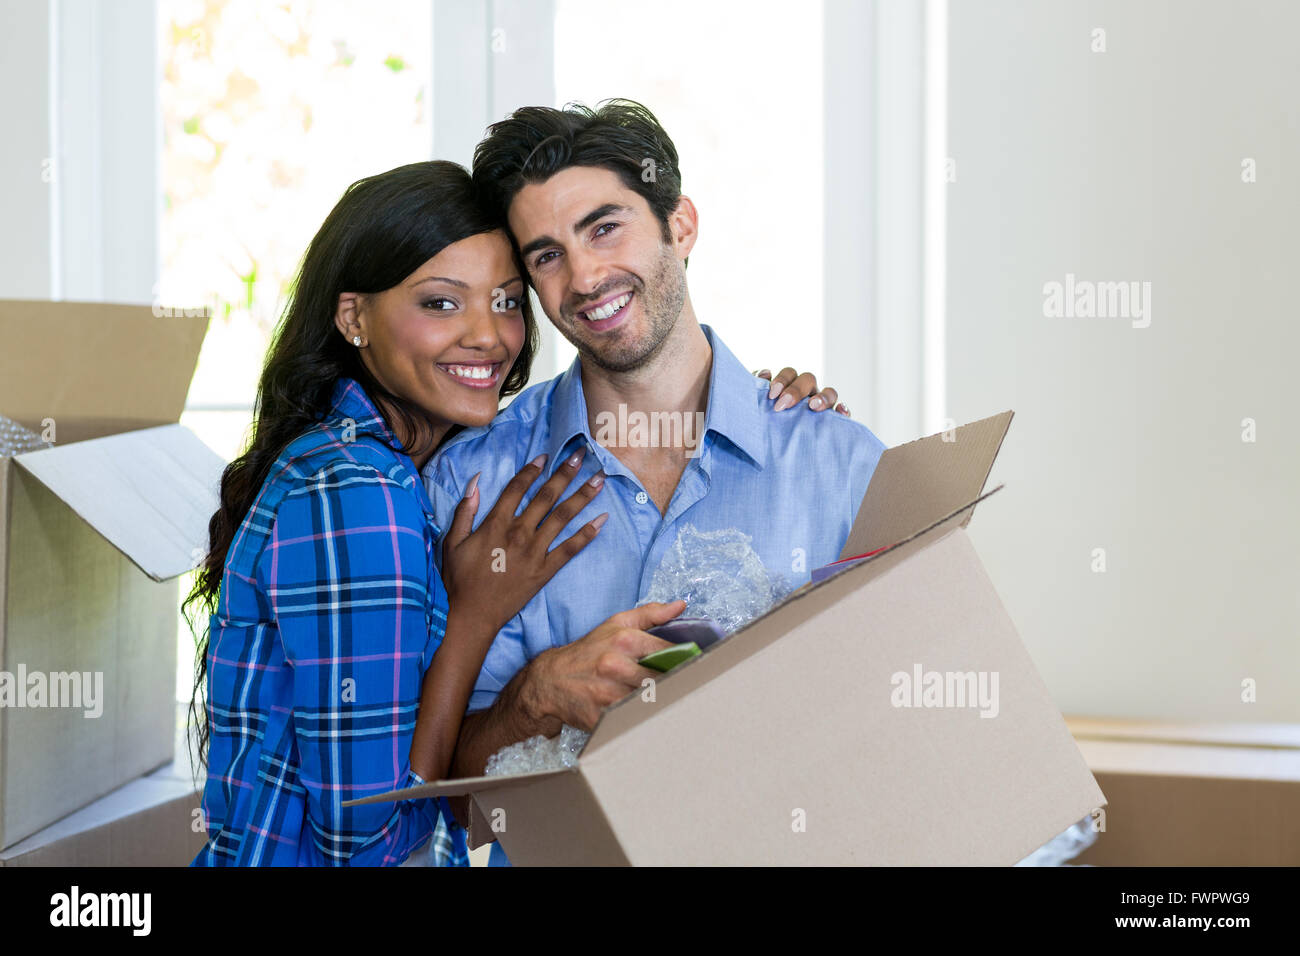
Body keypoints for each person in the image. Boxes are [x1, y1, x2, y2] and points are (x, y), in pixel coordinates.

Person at [186, 159, 841, 866]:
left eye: (505, 300)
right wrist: (476, 618)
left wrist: (759, 402)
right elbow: (367, 839)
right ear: (354, 318)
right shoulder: (355, 495)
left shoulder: (409, 468)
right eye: (441, 303)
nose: (489, 336)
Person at [424, 101, 888, 816]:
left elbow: (904, 725)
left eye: (605, 228)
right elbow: (437, 798)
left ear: (681, 225)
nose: (583, 278)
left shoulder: (843, 466)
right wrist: (534, 696)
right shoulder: (472, 484)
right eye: (547, 255)